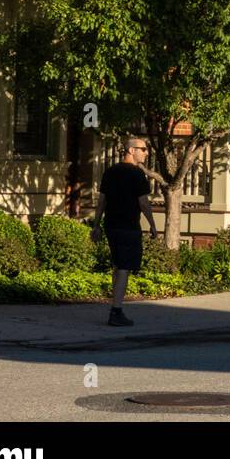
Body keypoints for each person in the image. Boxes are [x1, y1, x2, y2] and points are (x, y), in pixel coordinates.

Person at [90, 138, 158, 326]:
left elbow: (102, 201)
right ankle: (116, 310)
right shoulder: (137, 174)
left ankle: (115, 306)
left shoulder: (110, 172)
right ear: (131, 150)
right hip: (128, 227)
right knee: (124, 268)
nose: (146, 152)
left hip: (111, 225)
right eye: (143, 149)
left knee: (117, 265)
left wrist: (96, 225)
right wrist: (152, 224)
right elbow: (143, 203)